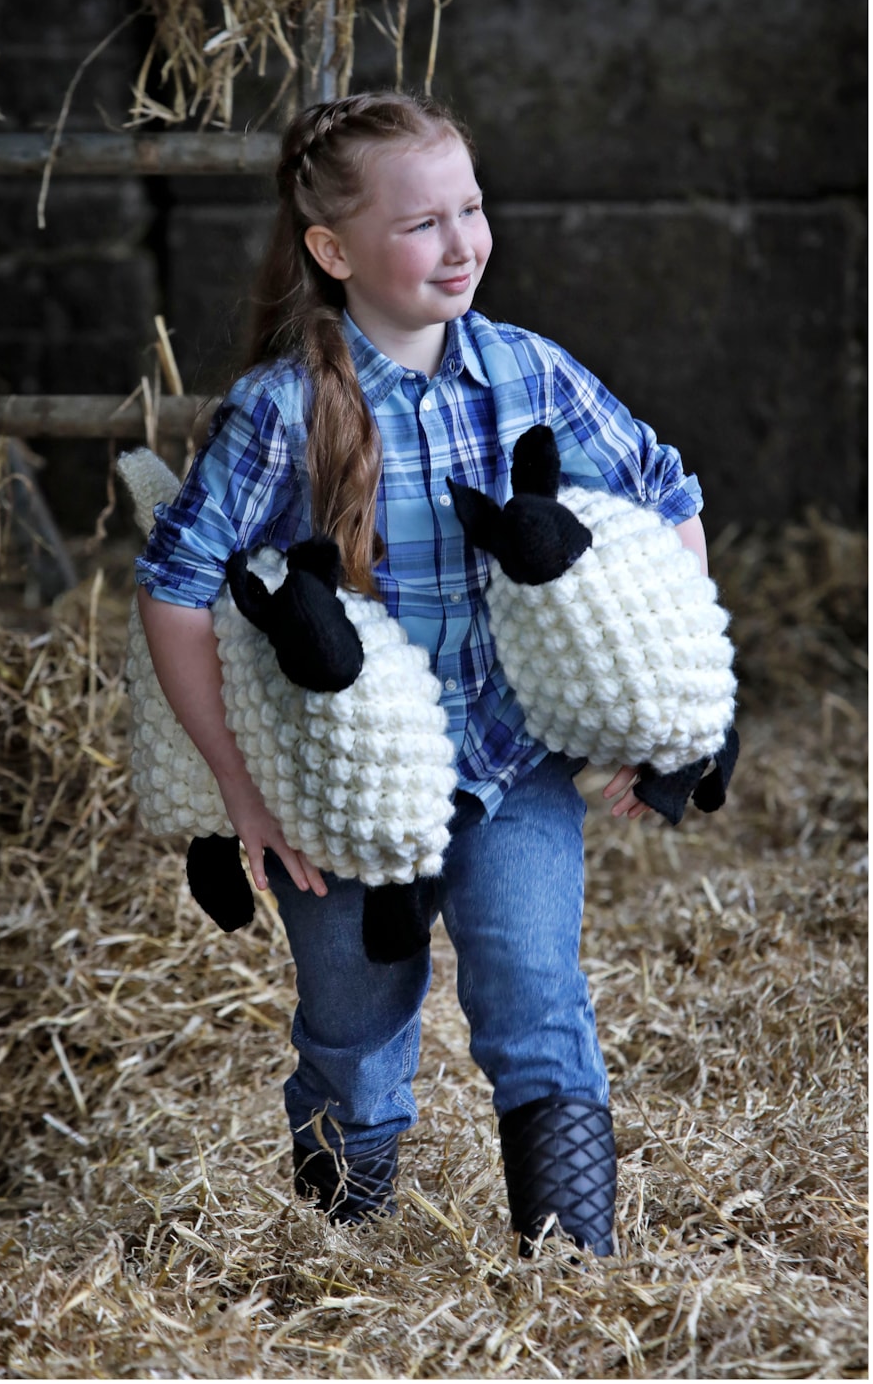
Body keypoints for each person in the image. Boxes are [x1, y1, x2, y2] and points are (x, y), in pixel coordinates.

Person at [135, 90, 708, 1257]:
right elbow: (175, 584)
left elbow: (667, 496)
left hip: (511, 763)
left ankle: (570, 1267)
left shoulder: (530, 375)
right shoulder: (279, 408)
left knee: (534, 995)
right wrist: (240, 791)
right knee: (352, 1024)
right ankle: (345, 1251)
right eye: (421, 224)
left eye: (471, 209)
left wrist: (658, 700)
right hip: (340, 786)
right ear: (332, 251)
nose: (461, 244)